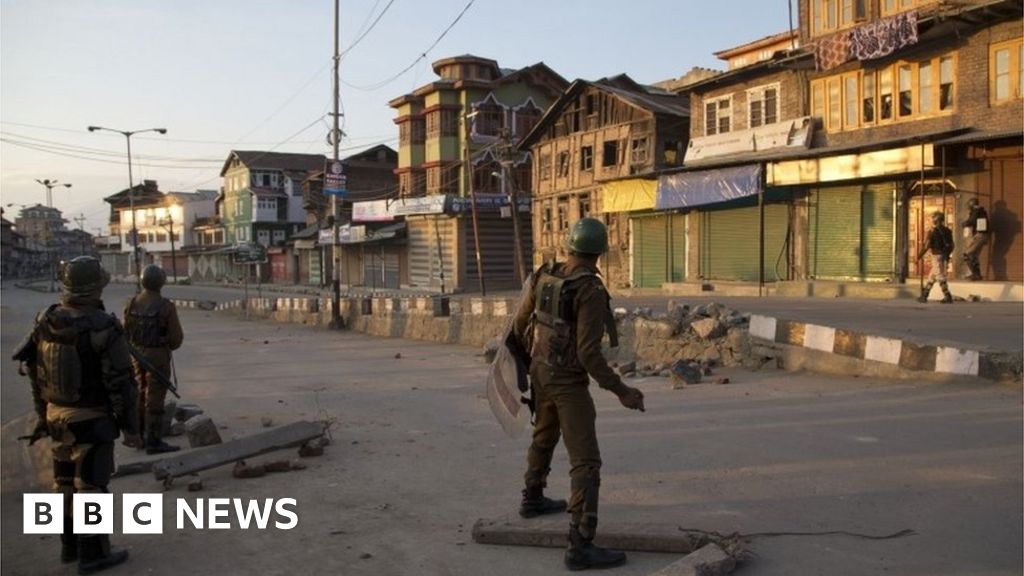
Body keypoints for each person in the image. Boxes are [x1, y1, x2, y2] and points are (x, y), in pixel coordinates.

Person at [512, 217, 646, 571]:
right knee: (586, 461)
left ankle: (533, 497)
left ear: (570, 246)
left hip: (541, 371)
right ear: (599, 252)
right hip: (568, 382)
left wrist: (529, 367)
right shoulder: (588, 289)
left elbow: (519, 322)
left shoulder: (545, 274)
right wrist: (621, 390)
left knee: (544, 436)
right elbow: (588, 353)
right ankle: (580, 543)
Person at [16, 256, 139, 573]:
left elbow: (32, 369)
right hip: (90, 419)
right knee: (91, 487)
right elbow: (122, 383)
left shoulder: (47, 319)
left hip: (57, 416)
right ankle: (93, 554)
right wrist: (131, 427)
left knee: (64, 484)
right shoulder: (103, 327)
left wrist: (43, 414)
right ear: (96, 286)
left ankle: (69, 547)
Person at [124, 264, 183, 454]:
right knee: (155, 398)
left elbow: (124, 333)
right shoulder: (166, 306)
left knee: (139, 394)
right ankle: (154, 441)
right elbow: (176, 339)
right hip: (157, 356)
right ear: (161, 283)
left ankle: (139, 436)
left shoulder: (131, 303)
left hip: (136, 354)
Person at [917, 211, 954, 303]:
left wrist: (919, 256)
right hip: (944, 255)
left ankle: (947, 295)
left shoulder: (932, 231)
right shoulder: (948, 231)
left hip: (936, 256)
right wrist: (947, 255)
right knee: (932, 276)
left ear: (935, 220)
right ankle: (924, 295)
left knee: (940, 276)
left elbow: (926, 246)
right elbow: (952, 245)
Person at [960, 198, 989, 280]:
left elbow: (971, 221)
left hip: (979, 235)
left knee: (967, 255)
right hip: (982, 235)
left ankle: (975, 274)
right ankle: (977, 275)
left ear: (971, 205)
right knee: (973, 256)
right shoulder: (982, 212)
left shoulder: (977, 211)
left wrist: (964, 223)